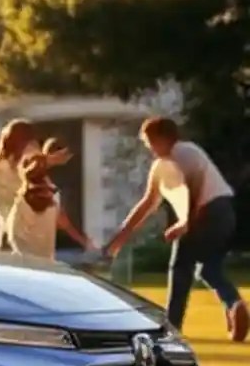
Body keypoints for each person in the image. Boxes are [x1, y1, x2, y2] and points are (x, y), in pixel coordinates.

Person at [105, 116, 247, 341]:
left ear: (161, 138)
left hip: (208, 212)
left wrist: (185, 223)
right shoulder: (163, 165)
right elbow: (149, 202)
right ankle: (234, 304)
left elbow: (193, 186)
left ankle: (171, 327)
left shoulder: (183, 152)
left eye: (149, 142)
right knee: (209, 269)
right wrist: (122, 235)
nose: (149, 148)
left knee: (180, 267)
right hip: (225, 214)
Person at [0, 119, 73, 251]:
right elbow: (29, 169)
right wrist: (50, 160)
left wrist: (46, 160)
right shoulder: (21, 164)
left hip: (6, 234)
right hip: (24, 237)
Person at [6, 137, 95, 259]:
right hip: (37, 247)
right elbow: (61, 220)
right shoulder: (38, 182)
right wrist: (83, 242)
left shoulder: (48, 180)